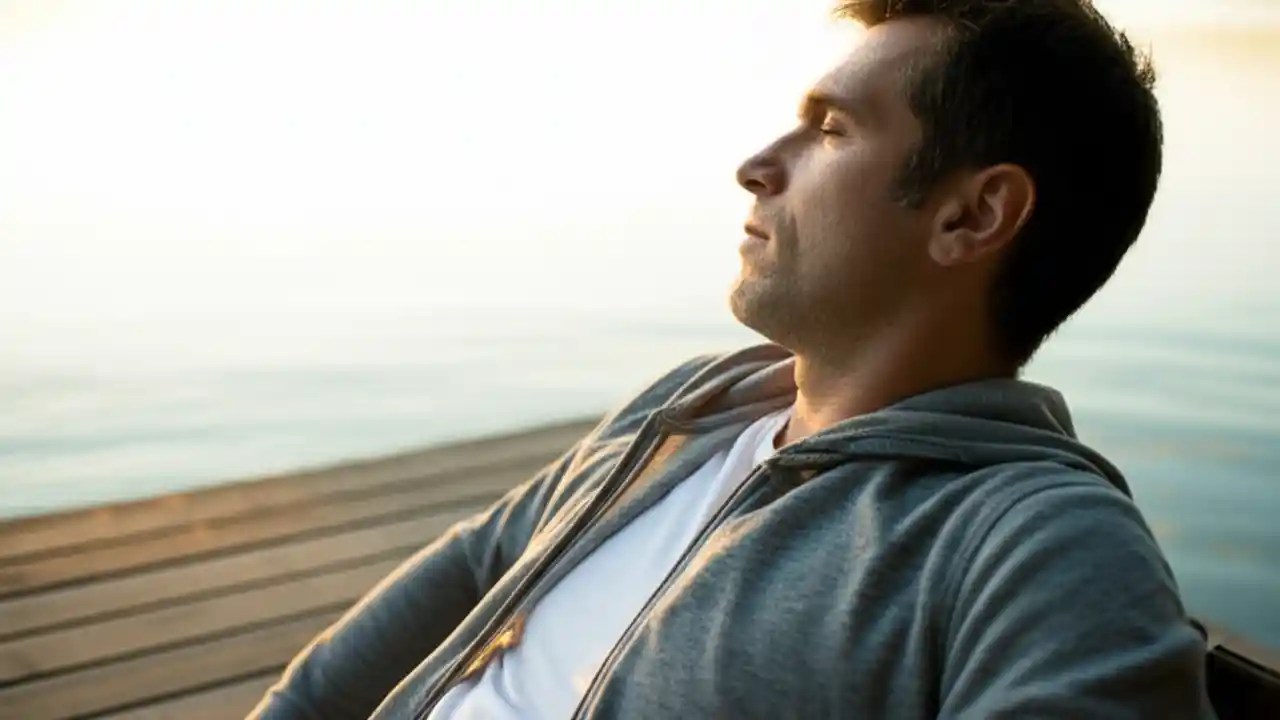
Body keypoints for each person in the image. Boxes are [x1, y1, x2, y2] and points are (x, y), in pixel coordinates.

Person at [251, 1, 1215, 717]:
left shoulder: (1033, 543)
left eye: (832, 129)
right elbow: (483, 564)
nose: (756, 164)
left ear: (971, 216)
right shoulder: (692, 411)